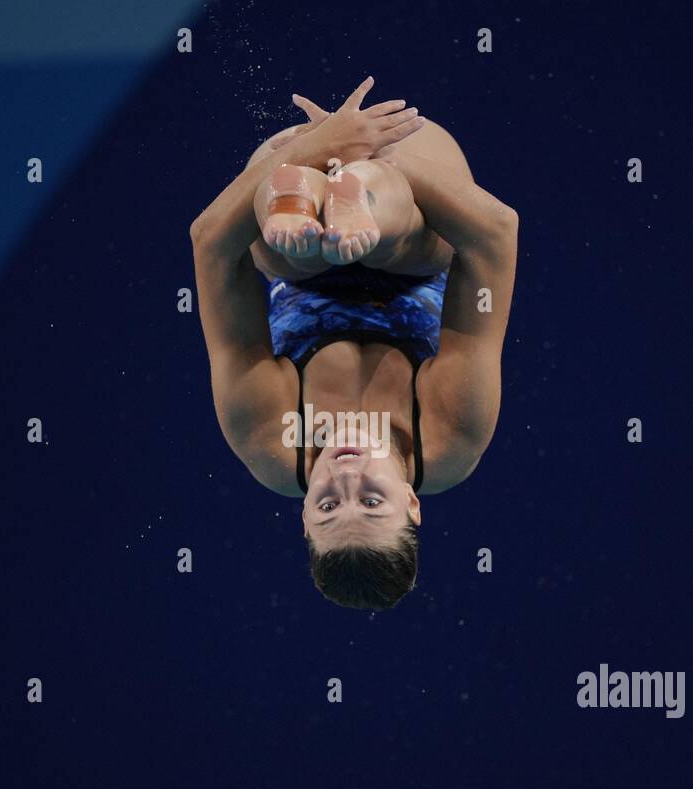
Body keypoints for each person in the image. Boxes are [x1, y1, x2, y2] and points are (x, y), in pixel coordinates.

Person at [190, 77, 518, 609]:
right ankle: (362, 188)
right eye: (370, 500)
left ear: (302, 518)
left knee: (281, 251)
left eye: (325, 506)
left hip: (295, 250)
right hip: (412, 235)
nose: (344, 474)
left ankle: (306, 190)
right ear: (412, 504)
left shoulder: (271, 439)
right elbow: (494, 234)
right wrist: (370, 152)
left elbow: (211, 246)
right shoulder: (449, 437)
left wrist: (313, 148)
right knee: (401, 228)